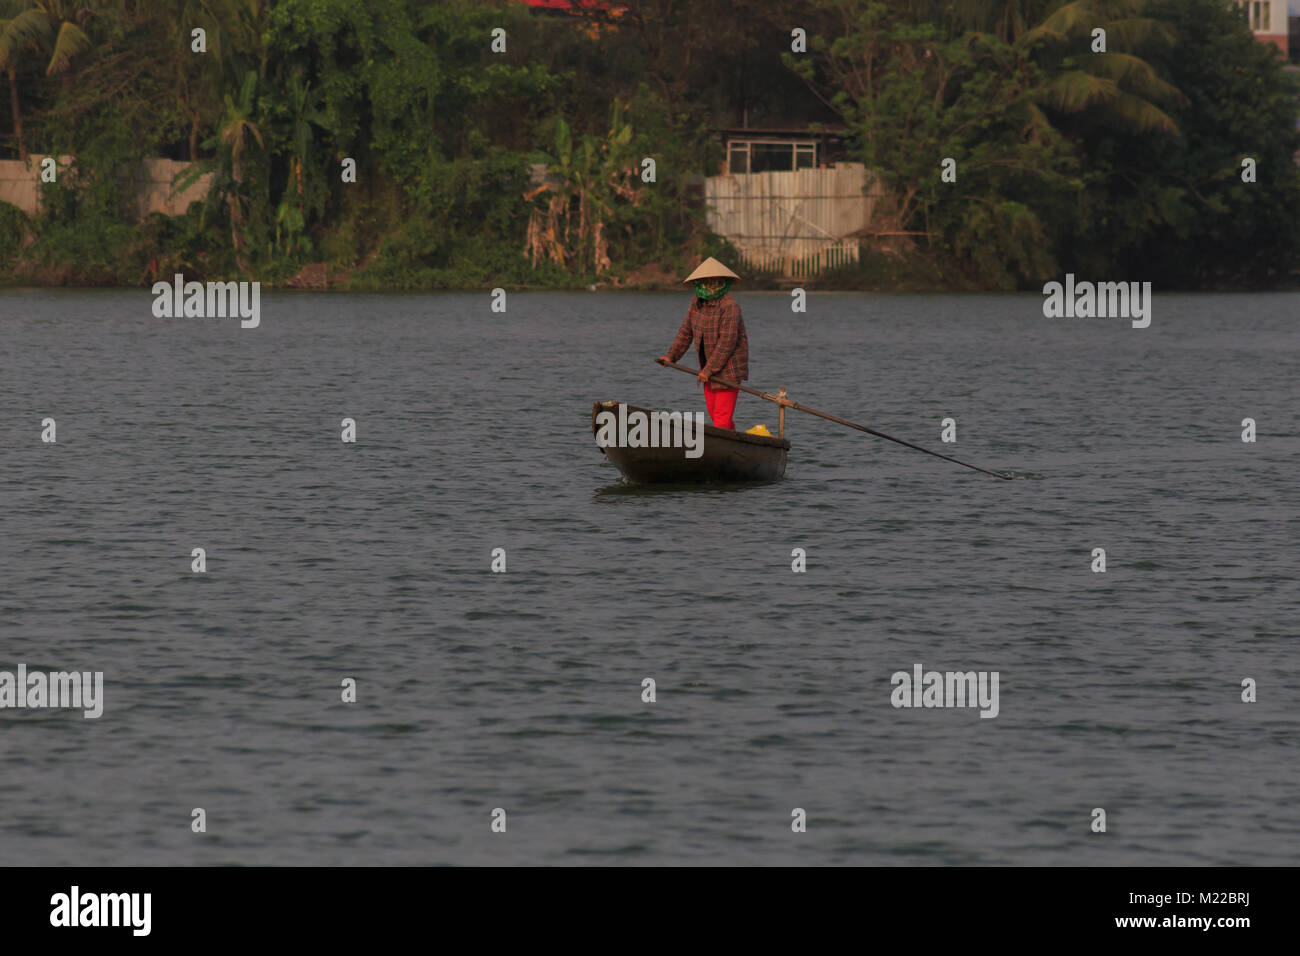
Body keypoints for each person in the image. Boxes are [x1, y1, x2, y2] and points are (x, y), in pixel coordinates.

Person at [656, 257, 749, 430]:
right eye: (705, 282)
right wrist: (671, 356)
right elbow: (685, 333)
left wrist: (708, 370)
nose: (709, 285)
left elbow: (726, 343)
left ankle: (726, 447)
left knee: (721, 417)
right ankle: (734, 445)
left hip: (728, 369)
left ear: (722, 282)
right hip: (708, 368)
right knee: (716, 415)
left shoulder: (730, 305)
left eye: (713, 282)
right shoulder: (696, 303)